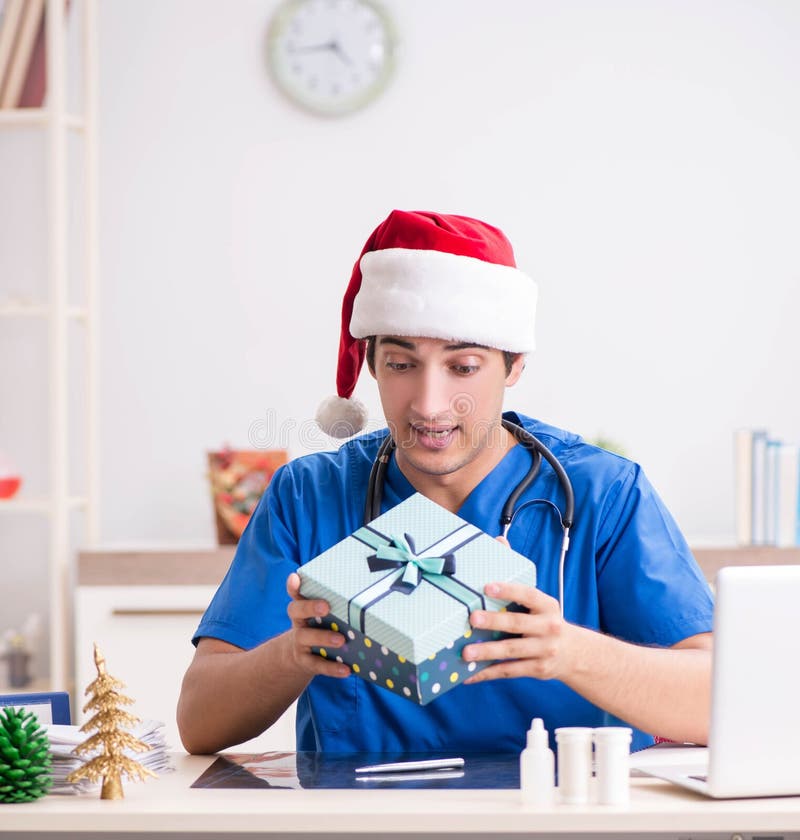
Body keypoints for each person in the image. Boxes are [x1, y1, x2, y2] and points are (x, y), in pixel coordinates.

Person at [177, 209, 713, 756]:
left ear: (514, 366)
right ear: (371, 365)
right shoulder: (308, 495)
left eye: (463, 367)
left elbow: (718, 703)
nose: (430, 406)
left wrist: (570, 652)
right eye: (401, 364)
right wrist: (293, 653)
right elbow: (199, 723)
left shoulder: (605, 494)